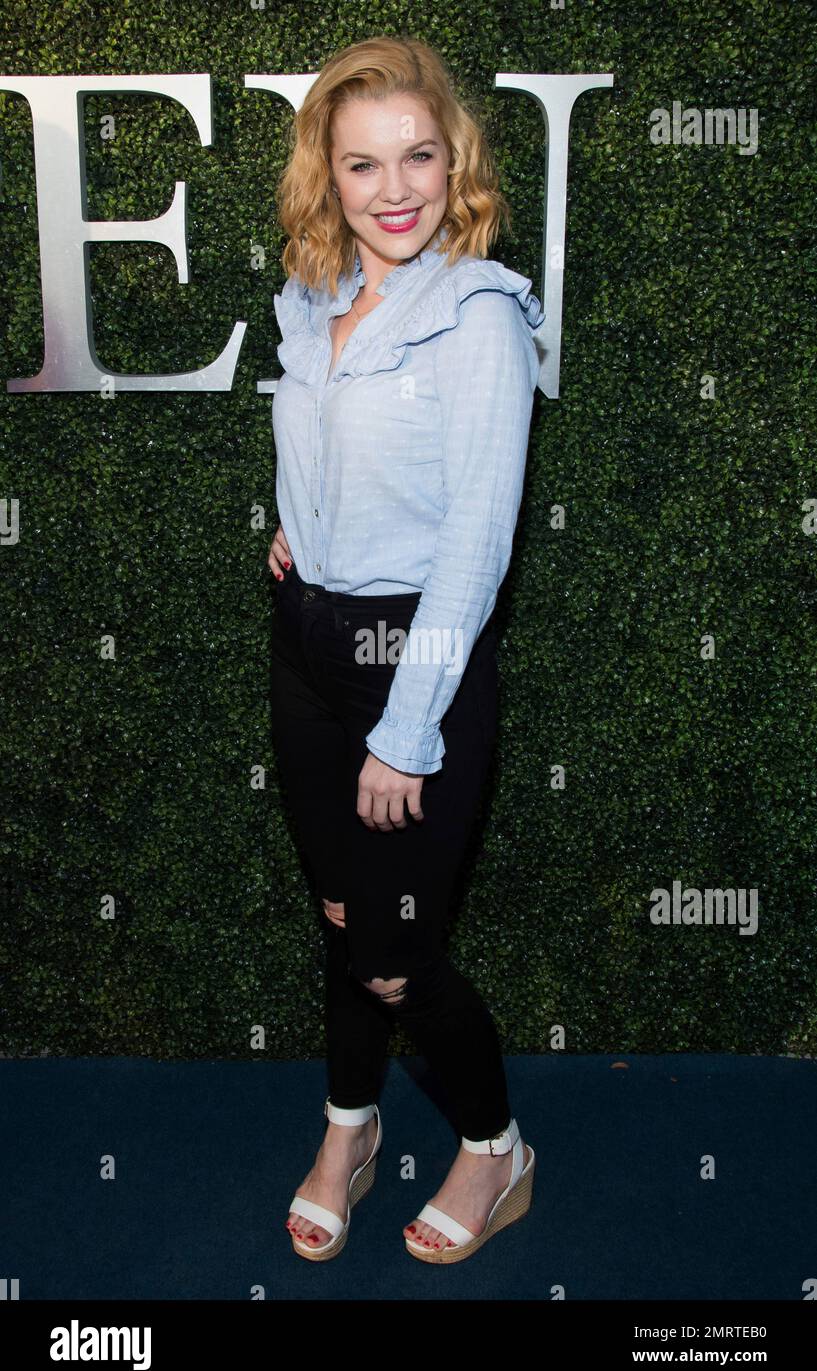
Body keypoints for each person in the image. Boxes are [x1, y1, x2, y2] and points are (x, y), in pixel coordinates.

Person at [267, 34, 543, 1264]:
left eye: (418, 156)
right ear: (327, 174)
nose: (395, 188)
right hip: (309, 651)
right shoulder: (321, 295)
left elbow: (475, 541)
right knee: (341, 917)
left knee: (392, 958)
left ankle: (494, 1147)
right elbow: (341, 445)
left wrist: (405, 728)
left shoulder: (477, 313)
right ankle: (350, 1129)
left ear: (454, 159)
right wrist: (303, 524)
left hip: (407, 674)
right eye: (365, 163)